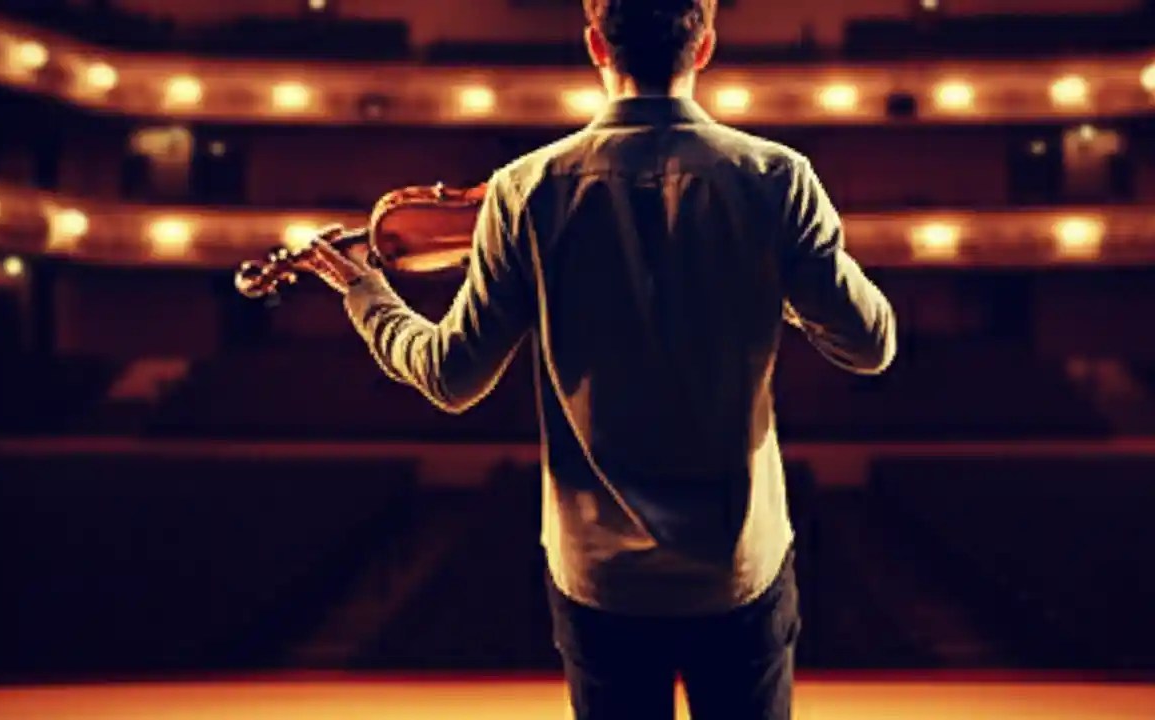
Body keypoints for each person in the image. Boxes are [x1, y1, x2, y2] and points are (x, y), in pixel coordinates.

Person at [299, 1, 897, 717]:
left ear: (594, 45)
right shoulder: (776, 179)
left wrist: (368, 295)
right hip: (739, 564)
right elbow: (872, 344)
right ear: (704, 46)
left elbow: (451, 377)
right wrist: (772, 281)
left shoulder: (525, 191)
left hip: (600, 581)